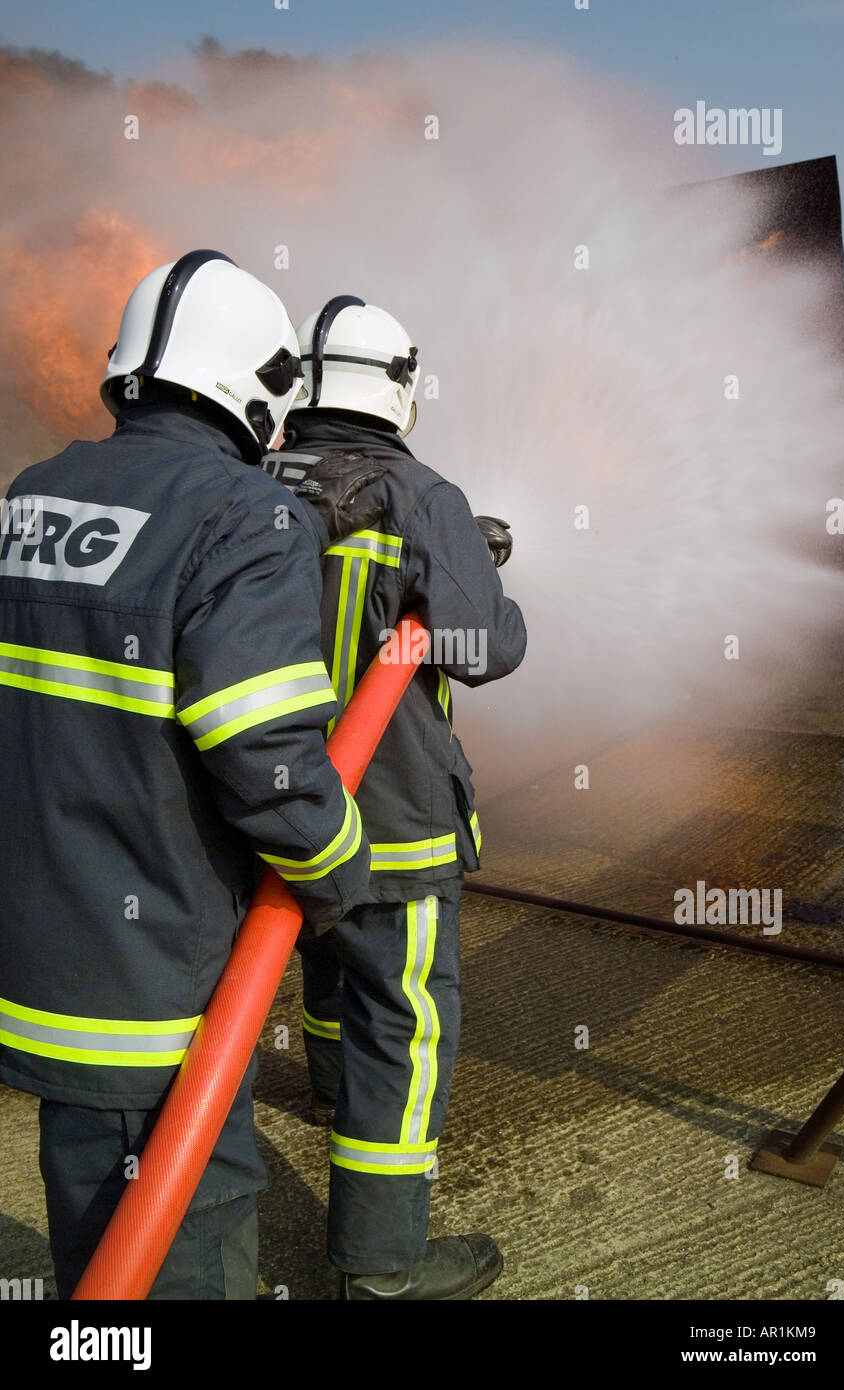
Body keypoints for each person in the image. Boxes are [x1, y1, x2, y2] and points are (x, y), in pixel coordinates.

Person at [0, 252, 386, 1300]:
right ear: (258, 386)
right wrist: (340, 880)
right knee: (182, 1242)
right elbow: (267, 759)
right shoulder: (242, 518)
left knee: (95, 1226)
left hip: (44, 969)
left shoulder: (33, 494)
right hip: (153, 990)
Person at [270, 293, 527, 1300]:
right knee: (404, 1016)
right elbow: (486, 648)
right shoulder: (421, 497)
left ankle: (332, 1089)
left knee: (322, 951)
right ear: (399, 390)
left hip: (279, 804)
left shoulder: (252, 480)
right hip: (392, 818)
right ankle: (381, 1267)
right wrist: (472, 571)